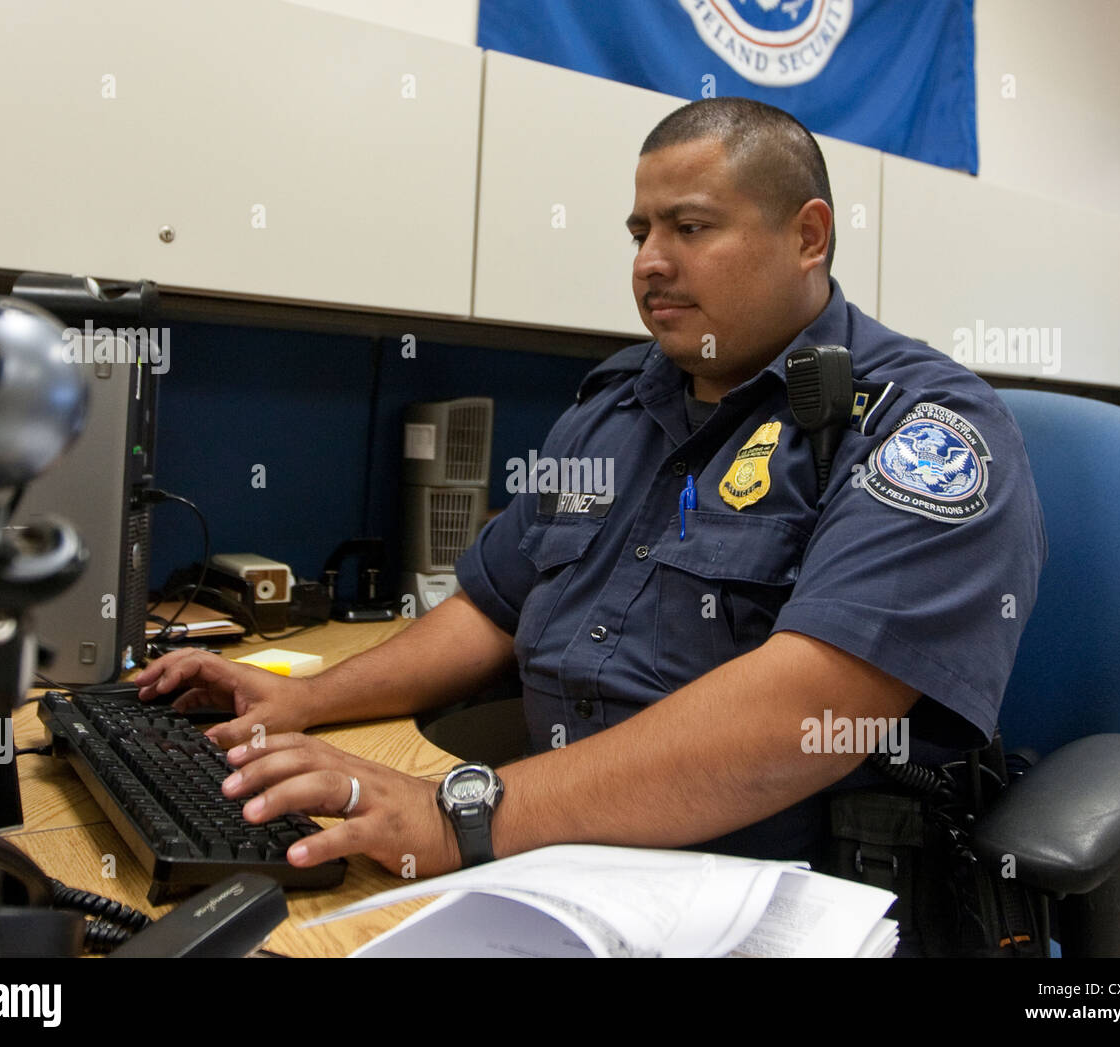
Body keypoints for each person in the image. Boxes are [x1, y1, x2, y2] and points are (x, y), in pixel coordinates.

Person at [135, 98, 1046, 880]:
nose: (650, 261)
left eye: (690, 228)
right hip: (557, 841)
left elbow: (809, 709)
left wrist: (460, 815)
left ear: (807, 236)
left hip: (773, 884)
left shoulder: (919, 427)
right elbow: (491, 606)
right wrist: (305, 698)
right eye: (641, 232)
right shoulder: (617, 402)